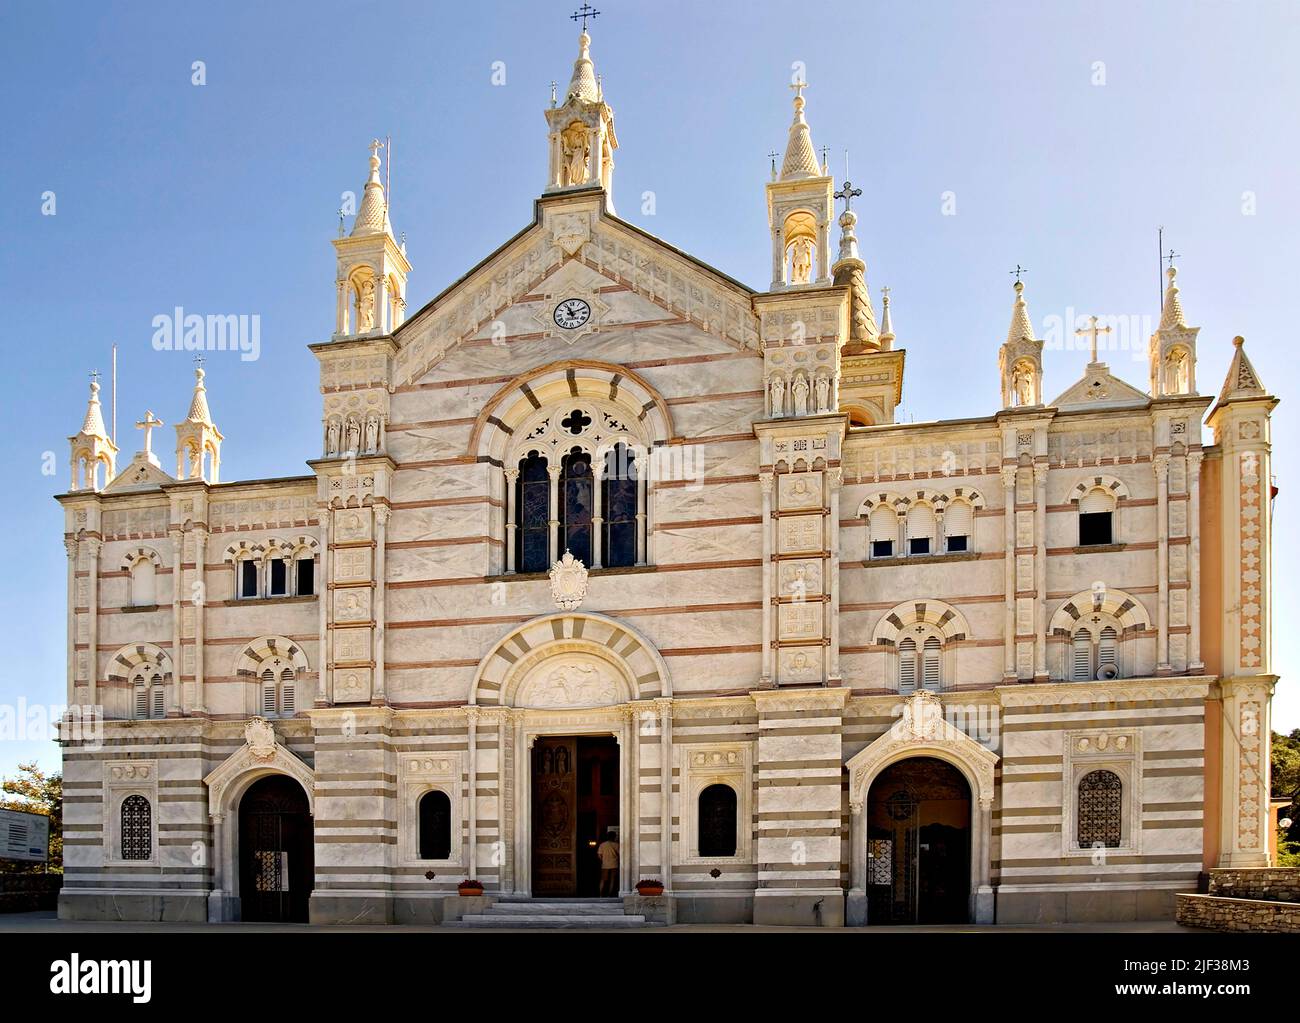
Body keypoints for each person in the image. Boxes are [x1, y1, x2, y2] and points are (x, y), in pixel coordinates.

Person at [596, 831, 619, 896]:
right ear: (614, 837)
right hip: (614, 864)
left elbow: (599, 855)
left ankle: (600, 894)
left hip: (605, 865)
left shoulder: (602, 845)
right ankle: (609, 895)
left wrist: (603, 860)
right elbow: (620, 855)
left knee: (603, 880)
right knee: (612, 880)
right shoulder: (617, 845)